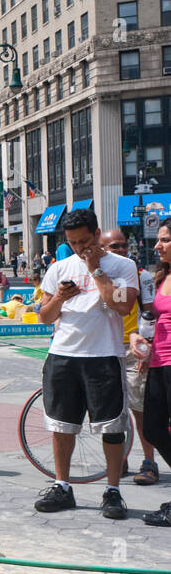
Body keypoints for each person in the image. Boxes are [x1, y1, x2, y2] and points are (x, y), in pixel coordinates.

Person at [34, 208, 137, 519]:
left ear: (96, 234)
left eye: (84, 241)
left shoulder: (122, 266)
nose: (79, 248)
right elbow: (44, 316)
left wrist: (95, 270)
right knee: (62, 424)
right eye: (72, 242)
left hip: (104, 356)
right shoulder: (59, 268)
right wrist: (60, 299)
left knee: (111, 425)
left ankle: (113, 490)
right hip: (64, 355)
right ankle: (62, 485)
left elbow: (121, 305)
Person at [101, 229, 159, 485]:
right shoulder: (96, 276)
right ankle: (119, 459)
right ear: (101, 248)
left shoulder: (141, 275)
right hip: (103, 348)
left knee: (140, 408)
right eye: (114, 246)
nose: (122, 250)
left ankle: (149, 461)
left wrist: (147, 345)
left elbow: (149, 312)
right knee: (112, 410)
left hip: (132, 349)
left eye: (124, 245)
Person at [130, 217, 171, 525]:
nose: (158, 245)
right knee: (153, 428)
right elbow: (157, 320)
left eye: (165, 240)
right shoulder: (163, 275)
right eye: (159, 239)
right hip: (158, 360)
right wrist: (146, 347)